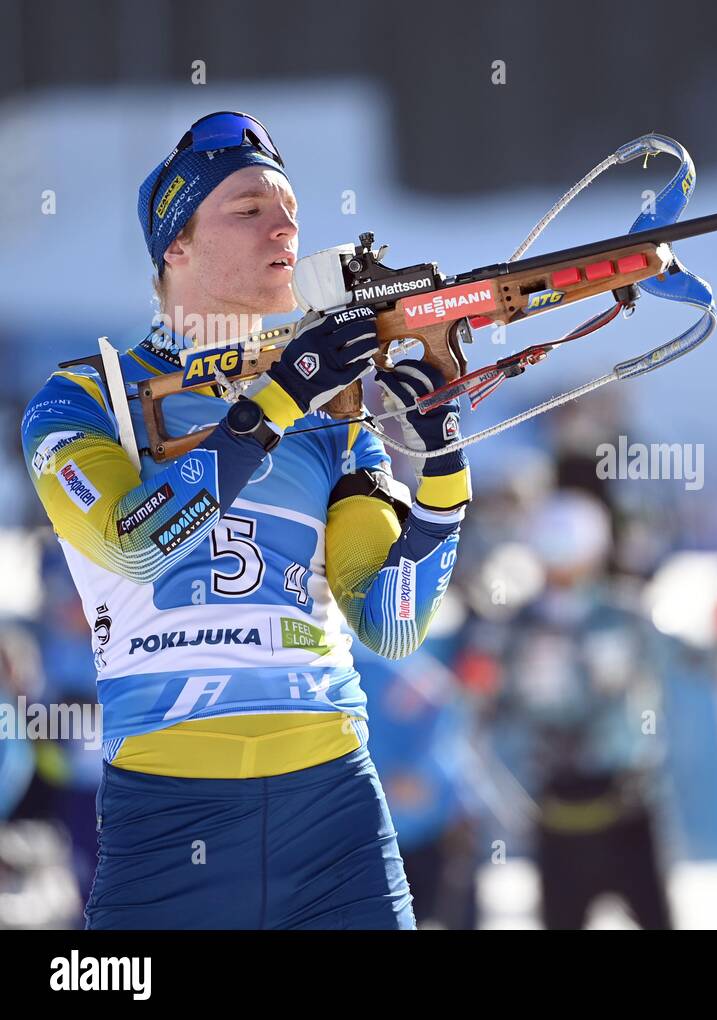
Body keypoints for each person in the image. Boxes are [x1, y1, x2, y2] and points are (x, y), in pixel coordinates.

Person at [20, 111, 470, 929]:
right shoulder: (83, 399)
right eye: (249, 206)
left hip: (333, 807)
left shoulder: (328, 400)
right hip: (166, 818)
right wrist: (276, 400)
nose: (286, 223)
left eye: (291, 207)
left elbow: (392, 622)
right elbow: (138, 542)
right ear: (176, 246)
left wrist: (442, 469)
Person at [458, 489, 673, 929]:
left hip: (625, 798)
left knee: (652, 914)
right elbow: (488, 697)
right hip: (555, 799)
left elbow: (681, 658)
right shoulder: (516, 629)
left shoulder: (623, 615)